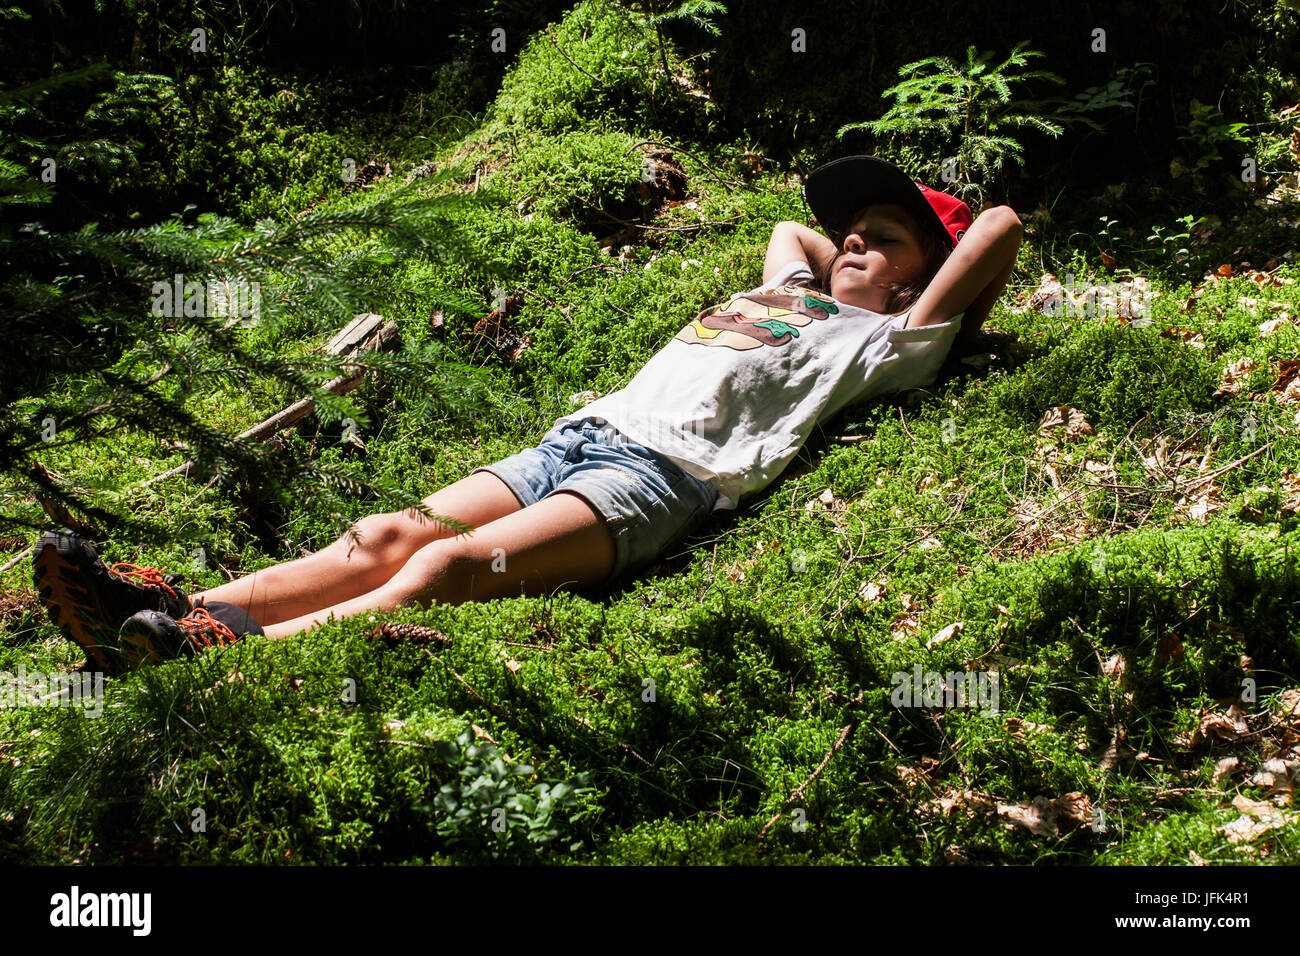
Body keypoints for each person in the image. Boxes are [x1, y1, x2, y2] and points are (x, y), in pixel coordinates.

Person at [31, 155, 1023, 675]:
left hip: (656, 481)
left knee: (446, 568)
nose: (848, 241)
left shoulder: (883, 344)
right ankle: (151, 616)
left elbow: (999, 228)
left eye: (880, 238)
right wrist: (857, 252)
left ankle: (212, 653)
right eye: (848, 233)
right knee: (386, 531)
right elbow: (788, 230)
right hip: (572, 440)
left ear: (920, 282)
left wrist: (911, 275)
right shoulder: (791, 295)